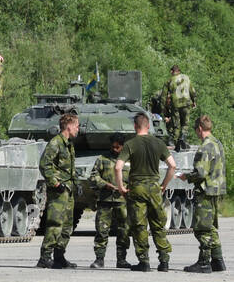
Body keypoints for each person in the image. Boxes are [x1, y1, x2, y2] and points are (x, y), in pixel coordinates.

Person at [115, 112, 176, 272]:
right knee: (158, 224)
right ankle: (164, 261)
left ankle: (144, 261)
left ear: (135, 126)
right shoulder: (159, 143)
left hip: (137, 188)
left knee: (139, 225)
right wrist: (163, 184)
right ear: (148, 126)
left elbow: (118, 167)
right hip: (154, 187)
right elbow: (172, 166)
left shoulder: (130, 144)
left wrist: (121, 187)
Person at [179, 115, 226, 273]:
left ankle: (204, 262)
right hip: (216, 189)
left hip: (205, 190)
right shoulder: (217, 144)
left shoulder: (205, 147)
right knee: (211, 226)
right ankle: (218, 260)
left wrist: (186, 176)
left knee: (202, 228)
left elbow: (200, 172)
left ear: (199, 128)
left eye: (196, 130)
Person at [37, 111, 79, 269]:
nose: (78, 129)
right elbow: (44, 164)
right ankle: (45, 257)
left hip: (68, 189)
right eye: (76, 126)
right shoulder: (56, 143)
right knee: (55, 223)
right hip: (59, 190)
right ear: (68, 126)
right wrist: (55, 183)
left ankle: (59, 256)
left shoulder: (68, 144)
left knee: (67, 225)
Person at [89, 135, 130, 269]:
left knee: (123, 231)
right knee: (101, 231)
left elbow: (135, 178)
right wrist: (106, 185)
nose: (114, 149)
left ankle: (122, 259)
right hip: (105, 200)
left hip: (122, 201)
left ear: (123, 146)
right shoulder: (102, 159)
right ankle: (99, 259)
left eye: (117, 147)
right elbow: (93, 177)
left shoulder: (129, 161)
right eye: (113, 146)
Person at [164, 66, 197, 150]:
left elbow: (163, 96)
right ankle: (182, 138)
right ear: (179, 71)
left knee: (176, 125)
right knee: (185, 123)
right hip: (186, 103)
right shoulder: (186, 78)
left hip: (175, 105)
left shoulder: (169, 81)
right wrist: (194, 101)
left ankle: (176, 143)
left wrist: (164, 110)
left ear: (172, 71)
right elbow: (192, 91)